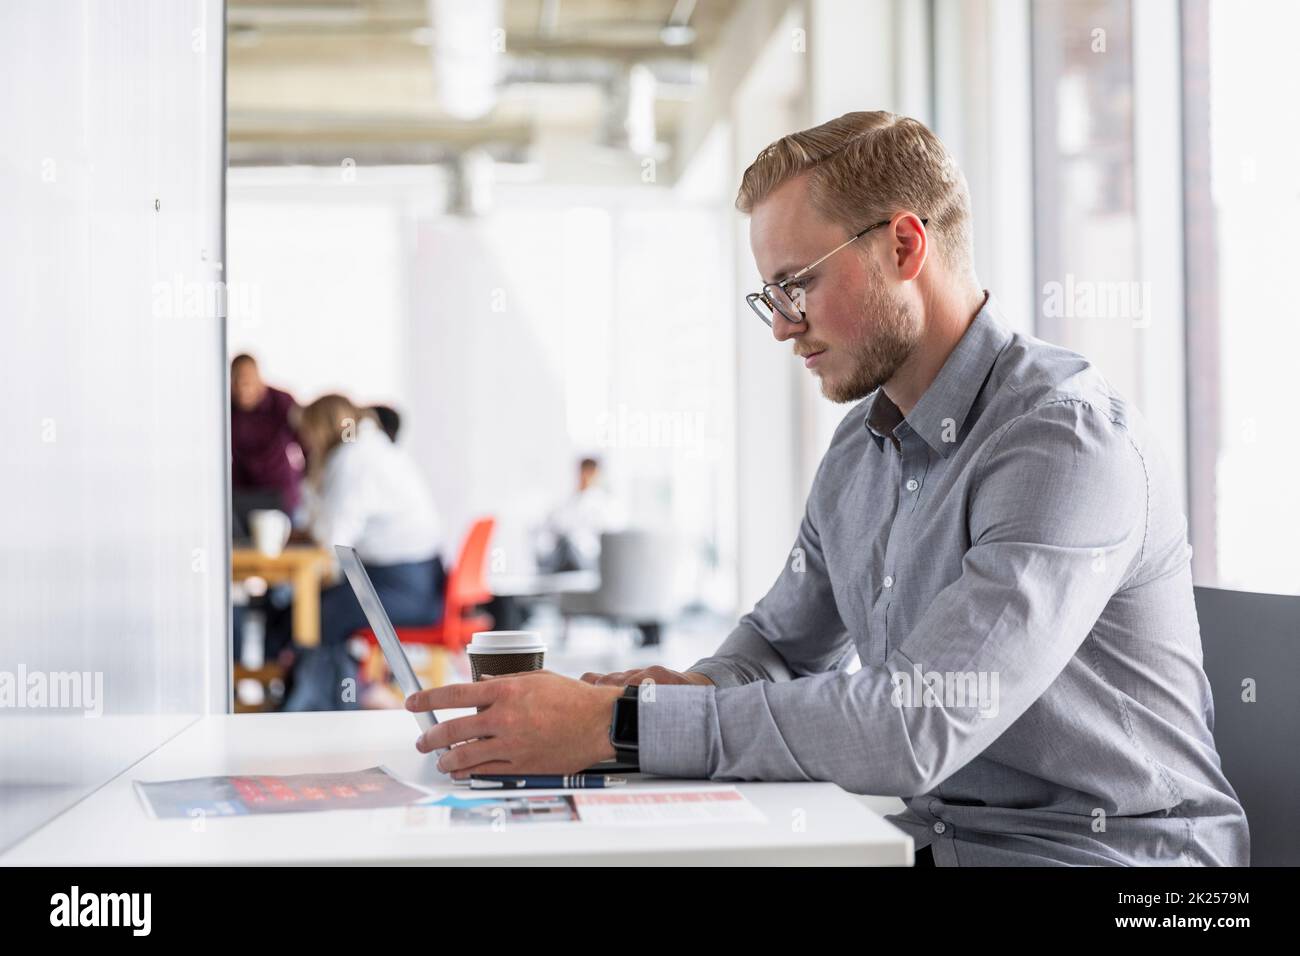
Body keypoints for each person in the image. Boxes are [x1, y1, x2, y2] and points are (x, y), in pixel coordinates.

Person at [397, 111, 1249, 867]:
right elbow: (776, 647)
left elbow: (915, 724)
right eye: (768, 293)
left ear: (905, 246)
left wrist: (614, 731)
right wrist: (650, 697)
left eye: (798, 283)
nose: (779, 324)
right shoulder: (861, 447)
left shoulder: (1062, 444)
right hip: (931, 841)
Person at [284, 394, 446, 711]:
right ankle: (344, 694)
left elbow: (332, 540)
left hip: (404, 588)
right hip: (420, 580)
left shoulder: (352, 460)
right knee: (313, 609)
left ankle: (318, 704)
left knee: (313, 614)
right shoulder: (372, 449)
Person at [229, 353, 305, 519]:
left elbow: (306, 440)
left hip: (281, 494)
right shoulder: (226, 407)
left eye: (246, 381)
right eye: (235, 382)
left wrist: (309, 481)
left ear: (259, 379)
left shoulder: (282, 401)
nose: (241, 388)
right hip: (243, 495)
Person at [534, 457, 625, 573]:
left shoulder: (605, 504)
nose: (586, 477)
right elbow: (553, 525)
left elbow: (610, 531)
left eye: (590, 473)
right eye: (584, 472)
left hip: (588, 556)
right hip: (564, 553)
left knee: (571, 547)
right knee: (563, 546)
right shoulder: (568, 502)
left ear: (597, 475)